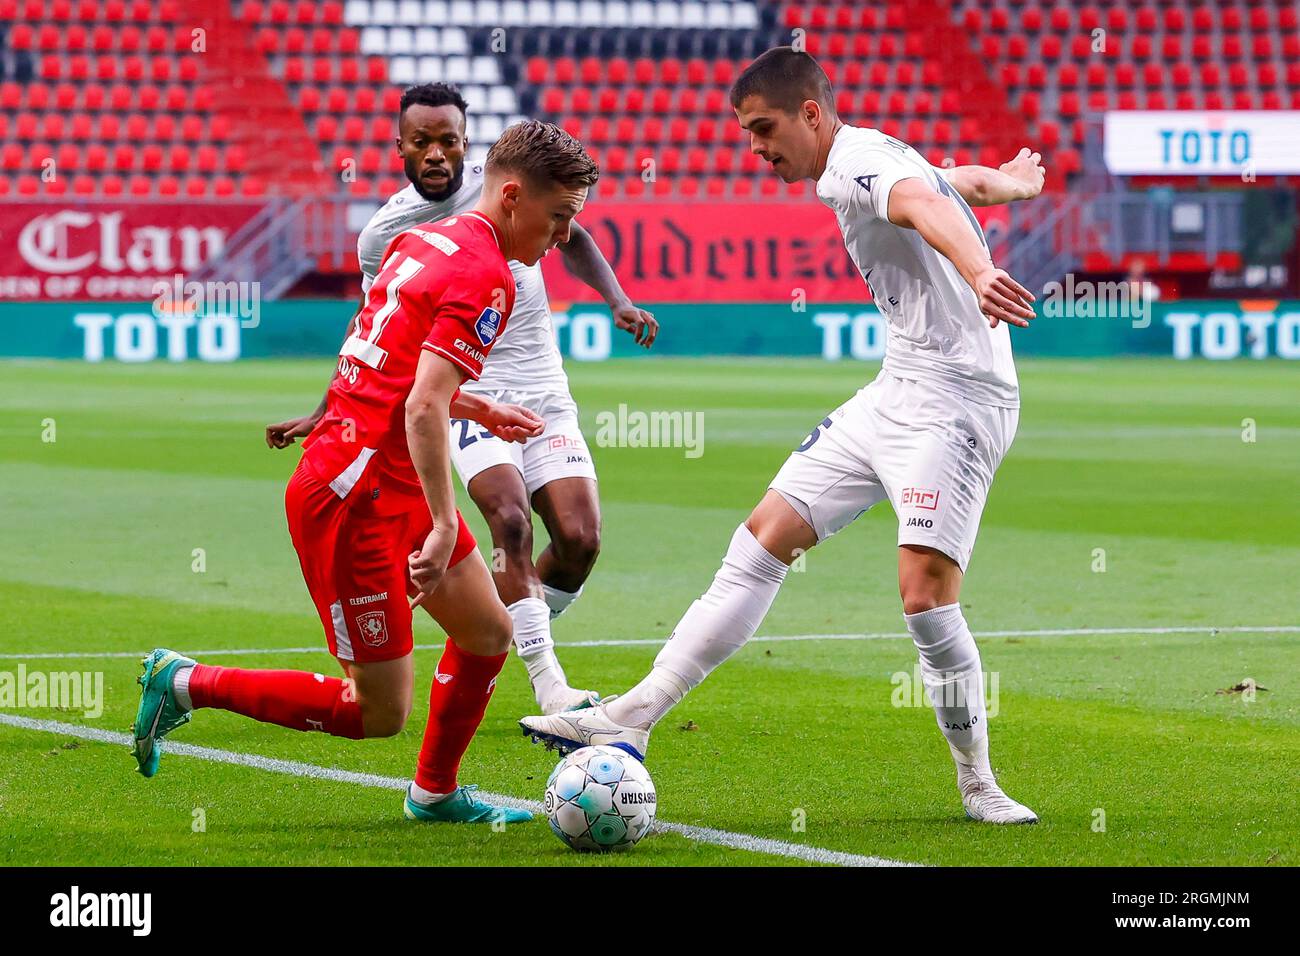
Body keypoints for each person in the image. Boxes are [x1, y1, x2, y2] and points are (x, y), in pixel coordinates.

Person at [520, 48, 1046, 824]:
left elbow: (924, 207)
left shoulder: (853, 163)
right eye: (745, 132)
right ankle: (634, 715)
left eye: (764, 128)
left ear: (810, 114)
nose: (756, 146)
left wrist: (975, 272)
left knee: (925, 599)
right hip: (897, 387)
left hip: (959, 405)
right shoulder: (867, 155)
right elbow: (951, 184)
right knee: (764, 538)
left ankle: (979, 781)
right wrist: (1009, 183)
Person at [134, 120, 599, 824]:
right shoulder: (488, 275)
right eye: (558, 217)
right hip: (351, 498)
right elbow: (420, 409)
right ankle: (188, 683)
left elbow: (395, 363)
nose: (562, 236)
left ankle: (434, 794)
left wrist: (475, 403)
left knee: (486, 634)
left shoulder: (427, 240)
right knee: (376, 711)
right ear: (511, 196)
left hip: (388, 474)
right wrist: (446, 524)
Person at [268, 83, 658, 715]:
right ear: (399, 146)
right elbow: (378, 323)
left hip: (540, 389)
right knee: (509, 521)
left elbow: (575, 235)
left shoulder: (516, 189)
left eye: (449, 140)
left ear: (466, 143)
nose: (437, 154)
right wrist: (327, 409)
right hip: (457, 388)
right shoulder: (387, 233)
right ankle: (544, 677)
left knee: (581, 539)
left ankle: (508, 633)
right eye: (421, 142)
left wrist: (617, 300)